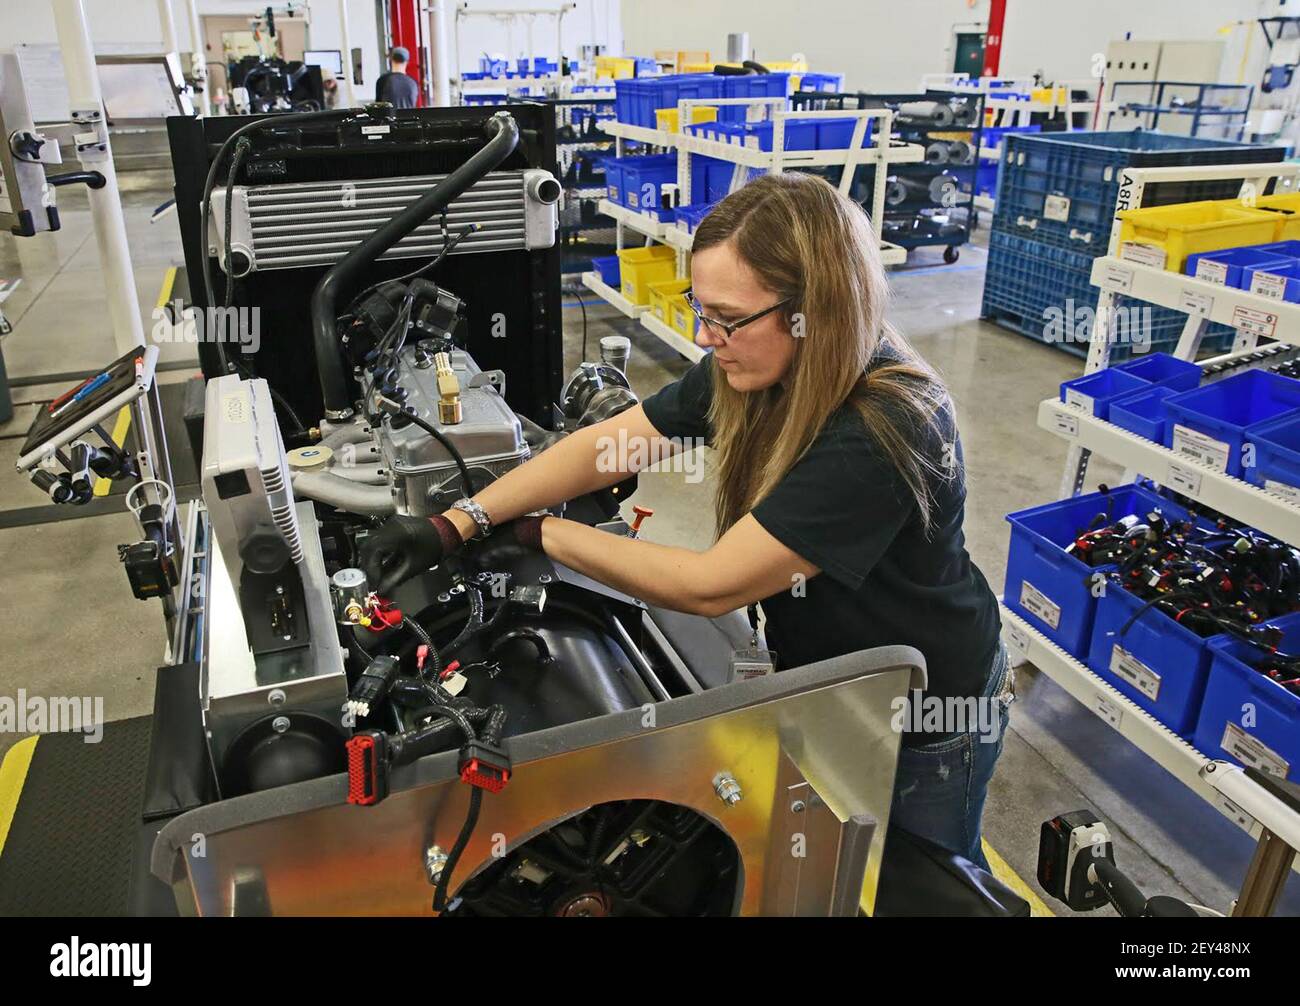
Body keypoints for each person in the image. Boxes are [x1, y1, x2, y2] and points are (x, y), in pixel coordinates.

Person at [359, 172, 1010, 869]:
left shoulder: (880, 428)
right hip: (833, 676)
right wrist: (460, 520)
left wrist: (543, 533)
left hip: (925, 716)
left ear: (813, 310)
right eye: (702, 311)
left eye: (727, 318)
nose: (707, 336)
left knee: (925, 885)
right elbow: (609, 446)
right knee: (835, 863)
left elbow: (710, 585)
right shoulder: (754, 368)